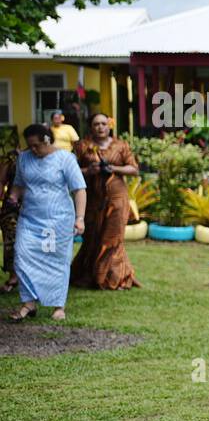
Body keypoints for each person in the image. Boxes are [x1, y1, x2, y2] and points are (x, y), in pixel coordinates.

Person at [6, 124, 86, 322]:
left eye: (36, 145)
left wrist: (80, 218)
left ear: (47, 140)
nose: (32, 150)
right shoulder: (24, 158)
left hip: (58, 219)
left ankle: (59, 305)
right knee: (22, 255)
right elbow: (18, 184)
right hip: (30, 218)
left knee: (56, 260)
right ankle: (28, 302)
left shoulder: (65, 159)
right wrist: (13, 198)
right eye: (29, 146)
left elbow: (79, 189)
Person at [70, 113, 142, 290]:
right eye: (96, 124)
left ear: (109, 125)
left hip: (117, 197)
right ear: (90, 127)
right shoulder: (82, 146)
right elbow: (70, 170)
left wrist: (114, 168)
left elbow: (134, 169)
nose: (100, 127)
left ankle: (113, 278)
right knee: (93, 236)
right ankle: (90, 275)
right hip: (92, 198)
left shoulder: (121, 145)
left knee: (113, 237)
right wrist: (88, 170)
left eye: (103, 124)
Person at [0, 125, 18, 293]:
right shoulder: (10, 159)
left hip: (36, 207)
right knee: (11, 240)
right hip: (12, 208)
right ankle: (13, 276)